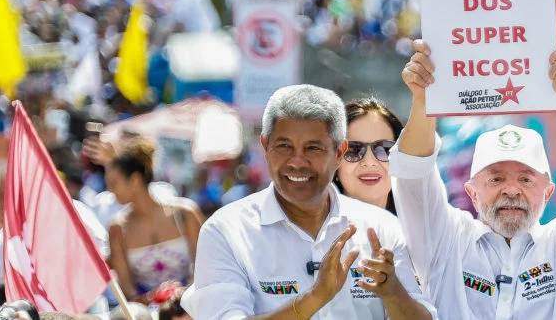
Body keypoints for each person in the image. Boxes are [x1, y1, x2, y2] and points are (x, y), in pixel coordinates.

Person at [391, 40, 556, 320]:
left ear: (548, 193)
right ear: (472, 193)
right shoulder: (446, 241)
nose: (512, 190)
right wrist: (424, 101)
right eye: (496, 179)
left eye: (526, 179)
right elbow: (413, 175)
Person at [180, 84, 437, 319]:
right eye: (284, 146)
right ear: (265, 146)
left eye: (313, 148)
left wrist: (393, 293)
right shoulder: (225, 231)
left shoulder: (381, 228)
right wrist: (314, 297)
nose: (297, 162)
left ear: (339, 153)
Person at [107, 139, 204, 301]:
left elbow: (206, 266)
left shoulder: (185, 214)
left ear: (135, 180)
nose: (110, 190)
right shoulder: (117, 228)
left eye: (114, 183)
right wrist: (157, 298)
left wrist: (181, 297)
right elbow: (128, 292)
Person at [334, 98, 403, 213]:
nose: (369, 162)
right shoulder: (309, 229)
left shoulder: (420, 226)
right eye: (353, 150)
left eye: (384, 148)